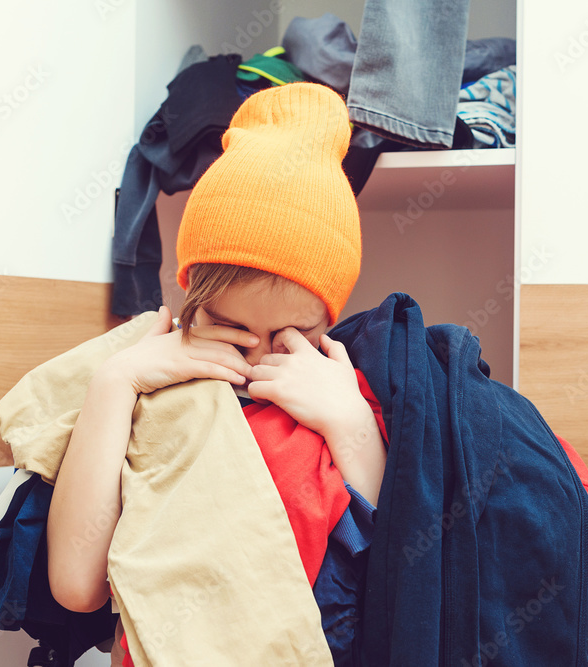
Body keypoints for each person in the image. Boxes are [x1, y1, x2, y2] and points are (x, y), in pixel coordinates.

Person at [45, 82, 383, 662]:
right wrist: (114, 385)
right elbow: (78, 585)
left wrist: (350, 426)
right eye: (226, 325)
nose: (252, 359)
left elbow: (395, 571)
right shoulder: (147, 390)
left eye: (288, 337)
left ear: (328, 323)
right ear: (189, 300)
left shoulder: (344, 398)